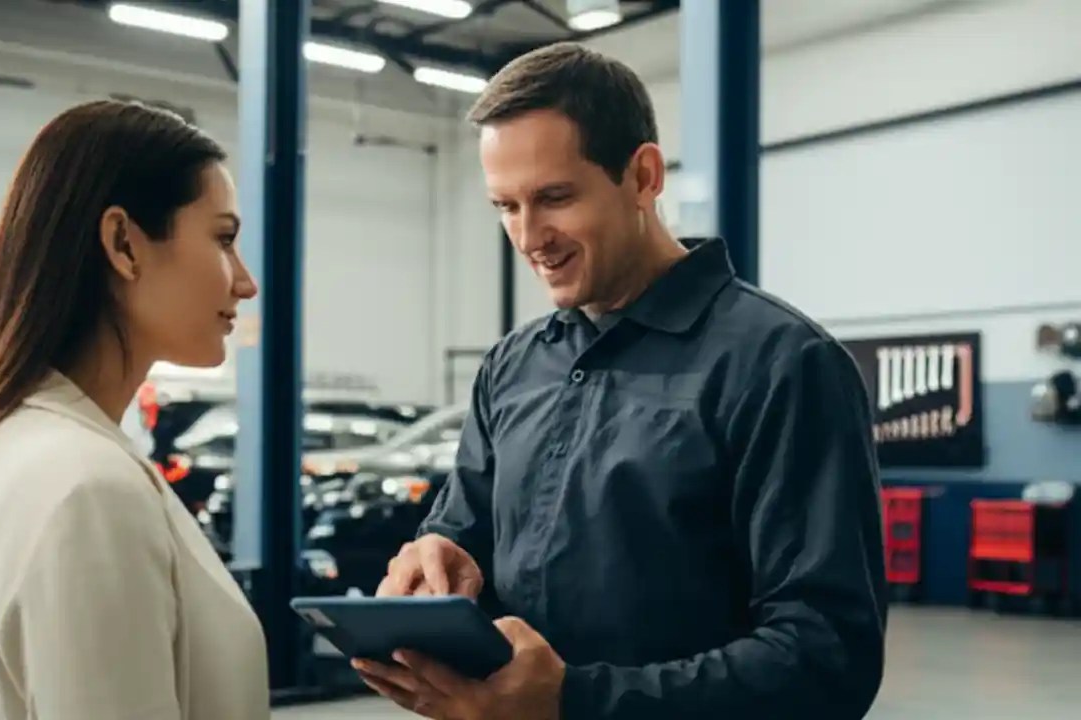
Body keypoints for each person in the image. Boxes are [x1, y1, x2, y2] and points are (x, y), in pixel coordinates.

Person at [358, 42, 887, 720]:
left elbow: (826, 656)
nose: (528, 236)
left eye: (553, 198)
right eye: (505, 206)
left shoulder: (782, 365)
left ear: (642, 177)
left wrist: (575, 701)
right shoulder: (513, 367)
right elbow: (466, 530)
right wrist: (438, 555)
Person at [0, 100, 268, 719]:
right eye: (224, 240)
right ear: (124, 244)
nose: (244, 281)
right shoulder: (87, 488)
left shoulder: (22, 446)